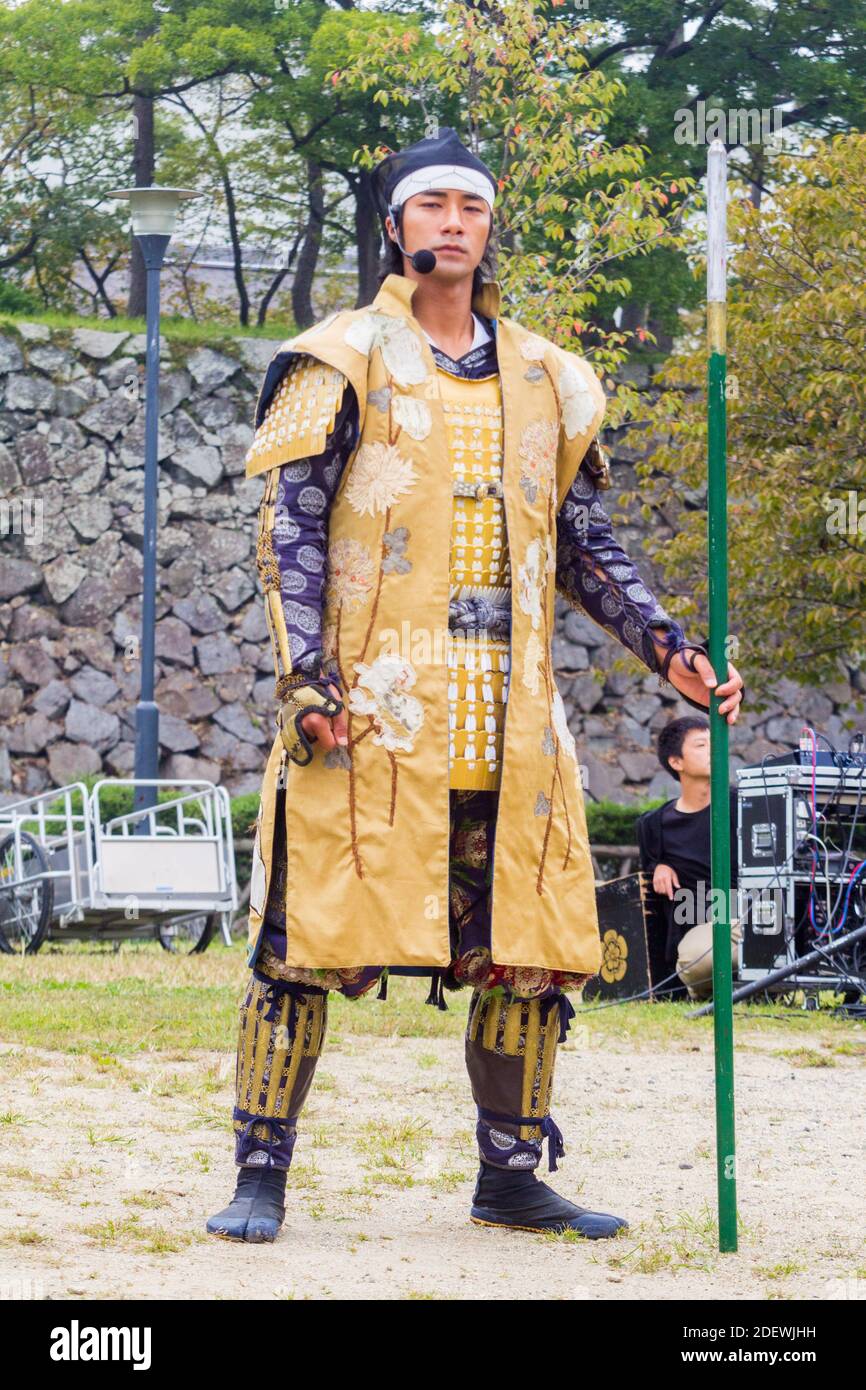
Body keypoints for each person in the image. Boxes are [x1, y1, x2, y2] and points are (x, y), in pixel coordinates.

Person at [206, 127, 745, 1244]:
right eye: (432, 205)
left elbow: (585, 541)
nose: (453, 221)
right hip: (369, 705)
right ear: (397, 226)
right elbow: (291, 532)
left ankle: (509, 1173)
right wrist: (305, 677)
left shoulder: (551, 376)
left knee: (532, 949)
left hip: (511, 714)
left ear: (488, 227)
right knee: (301, 940)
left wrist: (668, 647)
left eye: (471, 206)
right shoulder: (336, 355)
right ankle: (260, 1171)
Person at [637, 717, 742, 1001]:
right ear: (676, 762)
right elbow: (645, 878)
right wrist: (657, 865)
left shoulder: (745, 804)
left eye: (715, 742)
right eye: (701, 745)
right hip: (701, 928)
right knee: (697, 958)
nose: (714, 749)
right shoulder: (654, 825)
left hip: (752, 914)